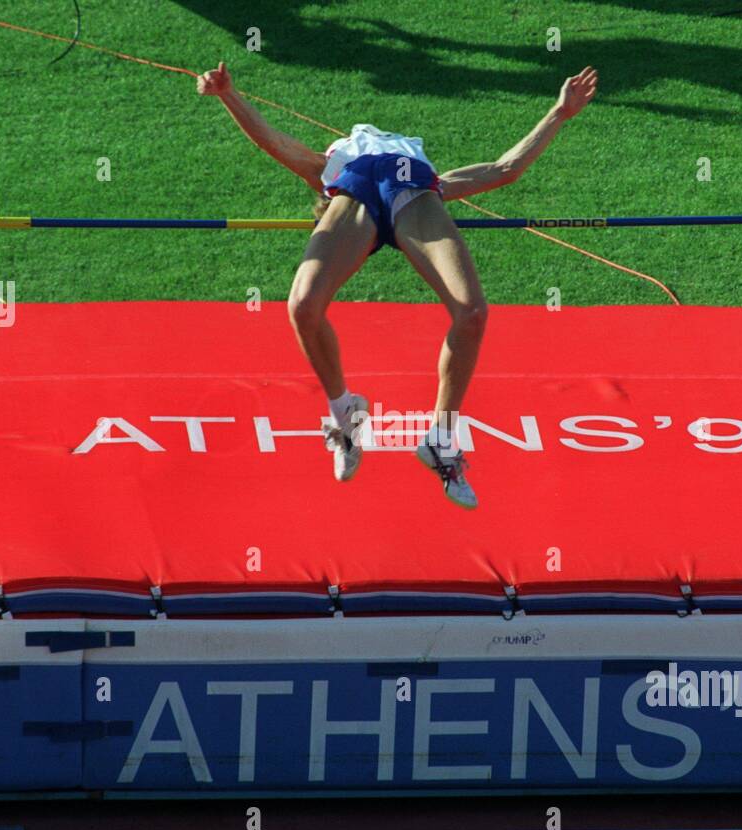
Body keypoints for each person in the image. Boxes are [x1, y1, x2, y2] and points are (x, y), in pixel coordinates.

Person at [198, 62, 598, 508]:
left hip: (413, 201)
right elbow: (272, 142)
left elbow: (507, 168)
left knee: (473, 312)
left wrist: (560, 113)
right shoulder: (331, 172)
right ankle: (344, 412)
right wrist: (228, 96)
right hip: (366, 205)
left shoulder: (396, 174)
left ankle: (441, 439)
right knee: (303, 306)